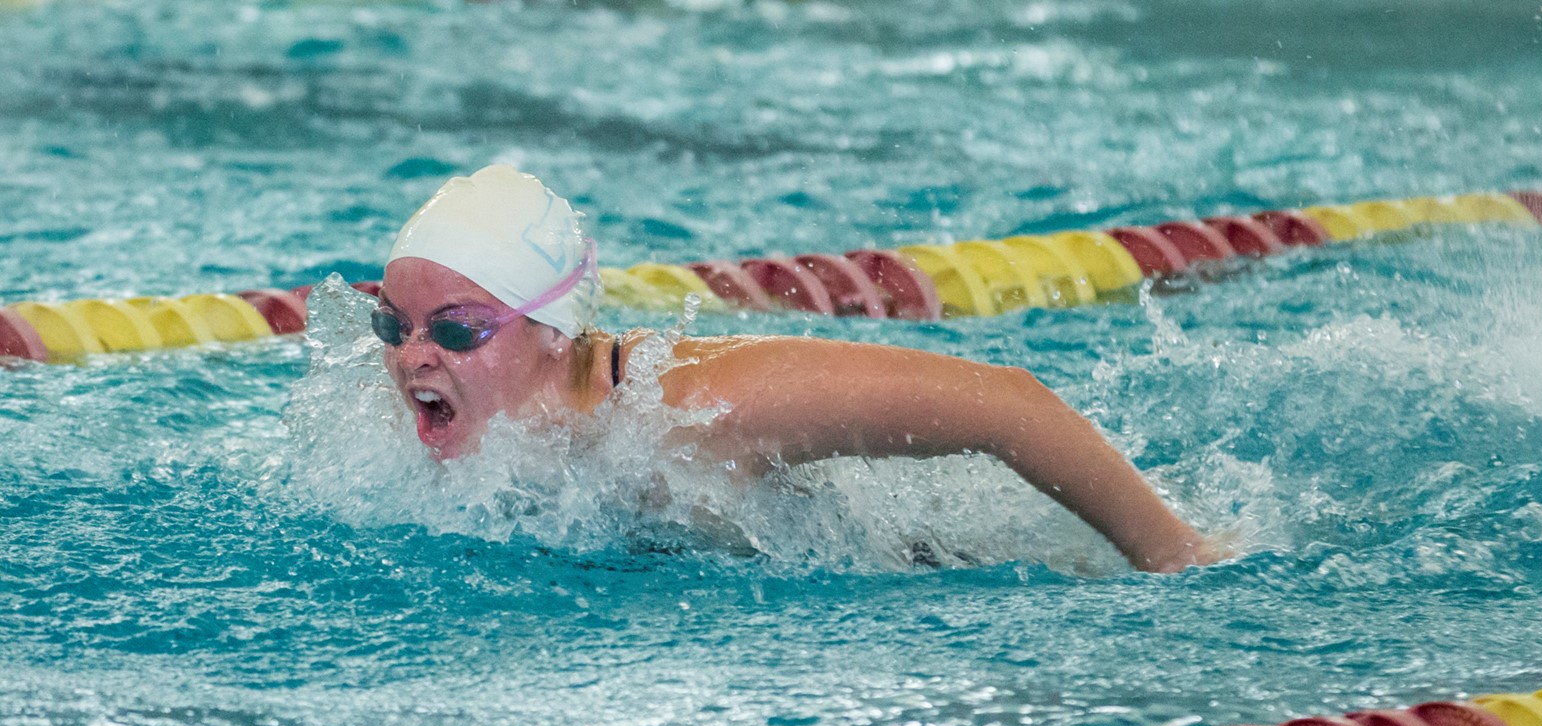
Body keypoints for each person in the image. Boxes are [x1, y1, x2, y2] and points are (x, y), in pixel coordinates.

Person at [373, 164, 1221, 573]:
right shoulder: (426, 418)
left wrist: (1178, 557)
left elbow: (1008, 403)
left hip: (937, 573)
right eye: (393, 323)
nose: (415, 356)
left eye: (455, 330)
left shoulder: (698, 408)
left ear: (556, 331)